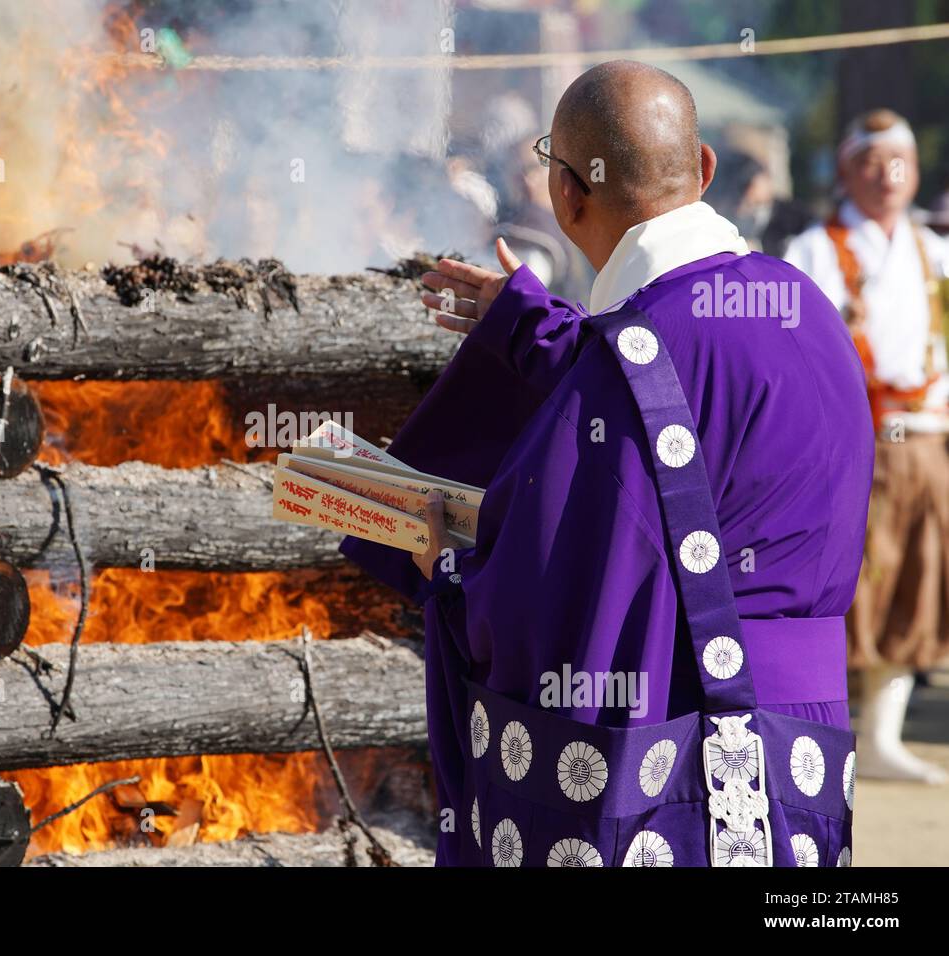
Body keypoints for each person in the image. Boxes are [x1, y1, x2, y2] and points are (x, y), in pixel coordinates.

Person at [339, 60, 873, 865]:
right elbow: (683, 415)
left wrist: (443, 562)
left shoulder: (627, 358)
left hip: (680, 746)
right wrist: (532, 330)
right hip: (806, 740)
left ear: (564, 196)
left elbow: (565, 575)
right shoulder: (803, 306)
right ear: (702, 170)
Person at [784, 109, 949, 785]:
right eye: (872, 161)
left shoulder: (937, 252)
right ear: (848, 171)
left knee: (920, 582)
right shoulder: (813, 250)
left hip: (930, 441)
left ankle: (882, 735)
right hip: (857, 444)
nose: (887, 174)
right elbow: (790, 351)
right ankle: (822, 733)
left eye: (899, 159)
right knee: (846, 587)